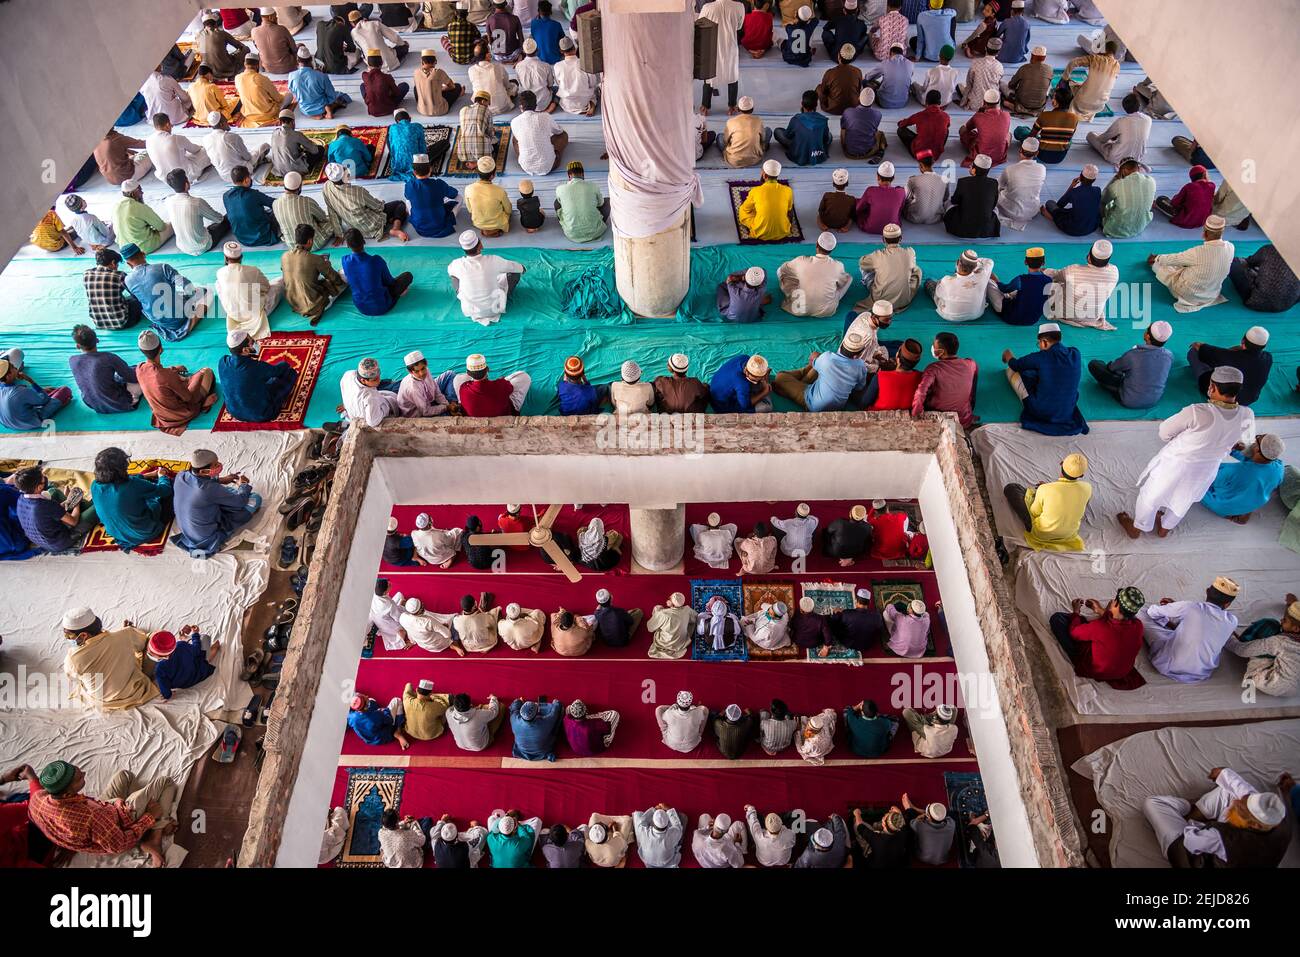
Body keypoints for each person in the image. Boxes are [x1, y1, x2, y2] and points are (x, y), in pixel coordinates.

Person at [1119, 367, 1257, 540]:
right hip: (1206, 470)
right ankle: (1164, 529)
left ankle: (1137, 528)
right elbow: (1245, 443)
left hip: (1175, 466)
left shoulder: (1198, 411)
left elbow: (1164, 433)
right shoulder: (1247, 414)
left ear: (1212, 388)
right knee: (1183, 499)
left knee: (1151, 495)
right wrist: (1223, 442)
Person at [28, 759, 174, 866]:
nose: (84, 773)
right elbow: (119, 844)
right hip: (117, 827)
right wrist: (149, 816)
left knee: (125, 776)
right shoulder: (91, 818)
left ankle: (149, 815)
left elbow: (89, 805)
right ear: (66, 794)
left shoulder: (37, 799)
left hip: (105, 810)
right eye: (80, 778)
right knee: (165, 782)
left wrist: (115, 801)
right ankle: (153, 838)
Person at [1143, 767, 1290, 868]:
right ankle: (1194, 811)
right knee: (1228, 792)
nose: (1238, 803)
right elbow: (1248, 794)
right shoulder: (1279, 822)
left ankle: (1187, 809)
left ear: (1255, 825)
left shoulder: (1220, 837)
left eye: (1242, 808)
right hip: (1248, 855)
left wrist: (1198, 825)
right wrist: (1224, 773)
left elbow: (1191, 841)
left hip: (1199, 855)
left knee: (1153, 803)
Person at [1141, 578, 1242, 683]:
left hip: (1168, 665)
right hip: (1200, 674)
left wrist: (1172, 608)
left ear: (1207, 591)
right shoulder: (1232, 621)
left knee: (1142, 612)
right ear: (1227, 604)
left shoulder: (1190, 607)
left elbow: (1152, 612)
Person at [59, 607, 157, 710]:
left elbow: (72, 677)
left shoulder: (72, 658)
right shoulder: (126, 635)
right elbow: (142, 642)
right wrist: (129, 632)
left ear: (84, 635)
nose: (67, 638)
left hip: (102, 700)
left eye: (68, 635)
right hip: (133, 693)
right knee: (146, 647)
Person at [1002, 322, 1088, 437]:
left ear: (1045, 342)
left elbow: (1015, 365)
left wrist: (1008, 355)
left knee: (1011, 371)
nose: (1040, 347)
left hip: (1041, 411)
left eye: (1039, 344)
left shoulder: (1041, 357)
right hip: (1066, 411)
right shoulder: (1075, 353)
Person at [172, 449, 262, 557]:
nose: (219, 465)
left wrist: (223, 480)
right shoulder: (208, 489)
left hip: (191, 531)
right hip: (209, 537)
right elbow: (240, 502)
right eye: (215, 465)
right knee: (255, 498)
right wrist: (243, 485)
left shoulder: (181, 475)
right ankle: (245, 516)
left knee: (225, 493)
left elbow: (201, 484)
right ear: (203, 471)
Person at [134, 329, 217, 436]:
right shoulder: (167, 375)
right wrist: (197, 376)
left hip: (161, 415)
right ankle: (202, 405)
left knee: (180, 381)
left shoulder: (139, 368)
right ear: (161, 349)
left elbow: (156, 376)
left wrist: (174, 370)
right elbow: (188, 397)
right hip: (181, 414)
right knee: (206, 372)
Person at [1003, 452, 1092, 551]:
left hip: (1042, 534)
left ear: (1061, 463)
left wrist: (1041, 492)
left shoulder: (1045, 489)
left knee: (1012, 488)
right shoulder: (1087, 488)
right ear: (1082, 475)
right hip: (1068, 534)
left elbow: (1034, 512)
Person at [1150, 215, 1234, 313]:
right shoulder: (1230, 247)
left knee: (1159, 265)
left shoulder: (1198, 252)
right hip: (1211, 294)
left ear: (1205, 233)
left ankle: (1153, 264)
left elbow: (1173, 259)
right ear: (1222, 232)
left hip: (1188, 295)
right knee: (1186, 265)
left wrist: (1157, 258)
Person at [1088, 321, 1174, 410]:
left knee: (1094, 365)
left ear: (1148, 336)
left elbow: (1112, 368)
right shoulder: (1169, 355)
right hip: (1153, 400)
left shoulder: (1133, 355)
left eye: (1147, 329)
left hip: (1129, 400)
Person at [1202, 433, 1286, 524]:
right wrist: (1232, 450)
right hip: (1252, 503)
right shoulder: (1279, 468)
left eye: (1256, 440)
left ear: (1257, 449)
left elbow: (1210, 478)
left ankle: (1228, 513)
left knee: (1197, 484)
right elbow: (1255, 464)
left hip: (1225, 506)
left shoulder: (1235, 471)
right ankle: (1245, 509)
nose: (1254, 441)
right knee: (1252, 485)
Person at [1227, 595, 1300, 698]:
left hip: (1273, 683)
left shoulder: (1280, 642)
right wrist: (1294, 606)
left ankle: (1245, 641)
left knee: (1270, 625)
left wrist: (1228, 636)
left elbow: (1241, 650)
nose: (1281, 620)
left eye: (1285, 620)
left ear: (1296, 629)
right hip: (1296, 689)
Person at [447, 230, 526, 324]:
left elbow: (450, 271)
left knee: (454, 276)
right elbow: (517, 268)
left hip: (470, 310)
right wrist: (522, 268)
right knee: (514, 273)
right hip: (495, 308)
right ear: (480, 246)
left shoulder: (457, 264)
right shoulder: (493, 260)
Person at [219, 330, 297, 423]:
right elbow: (278, 370)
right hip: (261, 414)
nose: (255, 343)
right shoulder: (256, 366)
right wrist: (284, 363)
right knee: (290, 373)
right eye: (252, 342)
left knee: (253, 381)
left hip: (234, 412)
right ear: (245, 350)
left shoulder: (222, 361)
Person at [13, 467, 96, 553]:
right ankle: (87, 505)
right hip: (61, 542)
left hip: (42, 539)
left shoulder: (21, 499)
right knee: (96, 508)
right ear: (38, 488)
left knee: (53, 491)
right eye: (43, 479)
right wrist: (76, 501)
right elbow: (73, 521)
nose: (45, 479)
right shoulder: (45, 505)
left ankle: (79, 505)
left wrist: (68, 501)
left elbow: (48, 512)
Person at [1042, 238, 1119, 330]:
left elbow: (1055, 275)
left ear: (1089, 257)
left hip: (1067, 314)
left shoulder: (1074, 270)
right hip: (1093, 317)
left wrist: (1043, 270)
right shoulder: (1114, 271)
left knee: (1055, 284)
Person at [323, 162, 410, 242]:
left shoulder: (326, 187)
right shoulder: (358, 192)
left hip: (357, 229)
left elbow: (332, 212)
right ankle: (395, 229)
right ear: (343, 176)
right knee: (400, 205)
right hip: (373, 225)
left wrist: (339, 234)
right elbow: (378, 207)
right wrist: (380, 202)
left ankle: (390, 219)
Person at [1186, 327, 1272, 407]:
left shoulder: (1228, 357)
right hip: (1248, 399)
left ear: (1242, 341)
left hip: (1220, 396)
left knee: (1193, 352)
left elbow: (1199, 346)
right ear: (1264, 346)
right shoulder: (1268, 358)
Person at [282, 224, 349, 326]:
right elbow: (335, 279)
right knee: (344, 274)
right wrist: (326, 265)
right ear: (309, 241)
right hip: (314, 306)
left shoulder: (284, 256)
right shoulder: (315, 259)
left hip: (294, 304)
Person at [215, 241, 282, 342]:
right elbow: (267, 286)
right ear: (241, 257)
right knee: (279, 283)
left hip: (234, 315)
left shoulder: (219, 273)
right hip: (256, 315)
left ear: (225, 258)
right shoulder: (253, 270)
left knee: (218, 284)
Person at [68, 325, 140, 415]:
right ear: (97, 340)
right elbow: (132, 377)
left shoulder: (72, 360)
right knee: (141, 374)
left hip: (93, 405)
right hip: (120, 403)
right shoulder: (109, 358)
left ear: (77, 346)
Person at [340, 228, 414, 316]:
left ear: (347, 245)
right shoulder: (376, 260)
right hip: (382, 306)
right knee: (407, 276)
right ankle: (396, 295)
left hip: (361, 307)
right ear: (363, 241)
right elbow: (390, 282)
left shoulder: (344, 260)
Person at [778, 232, 852, 317]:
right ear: (833, 248)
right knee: (848, 278)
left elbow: (783, 269)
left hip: (798, 309)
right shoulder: (838, 265)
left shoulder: (801, 260)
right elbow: (842, 283)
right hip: (826, 311)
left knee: (780, 272)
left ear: (816, 244)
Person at [147, 626, 220, 701]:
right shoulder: (181, 645)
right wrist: (195, 634)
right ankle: (214, 648)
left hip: (185, 683)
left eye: (150, 652)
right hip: (198, 669)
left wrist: (167, 695)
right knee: (204, 638)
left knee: (202, 657)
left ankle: (211, 650)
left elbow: (164, 688)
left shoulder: (159, 669)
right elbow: (197, 650)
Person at [0, 360, 70, 433]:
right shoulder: (20, 391)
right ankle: (58, 407)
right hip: (30, 422)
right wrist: (30, 380)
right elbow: (44, 400)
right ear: (8, 376)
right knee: (65, 390)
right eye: (13, 367)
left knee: (33, 396)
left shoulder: (17, 390)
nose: (16, 368)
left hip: (7, 423)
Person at [927, 248, 994, 323]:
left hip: (949, 315)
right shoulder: (982, 275)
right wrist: (972, 261)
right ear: (975, 267)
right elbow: (989, 261)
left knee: (929, 282)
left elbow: (939, 294)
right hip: (976, 315)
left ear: (958, 262)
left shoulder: (946, 280)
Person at [145, 114, 211, 189]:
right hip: (185, 176)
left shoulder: (148, 140)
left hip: (166, 179)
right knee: (206, 150)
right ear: (167, 125)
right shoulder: (176, 138)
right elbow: (195, 150)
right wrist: (200, 147)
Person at [1229, 244, 1300, 314]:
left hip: (1255, 301)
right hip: (1286, 306)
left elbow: (1249, 261)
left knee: (1234, 262)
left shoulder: (1270, 249)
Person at [994, 138, 1046, 232]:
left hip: (1010, 211)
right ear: (1037, 153)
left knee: (995, 191)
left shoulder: (1010, 169)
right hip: (1032, 211)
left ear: (1020, 150)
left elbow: (997, 187)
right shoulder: (1042, 169)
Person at [510, 91, 566, 177]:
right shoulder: (545, 116)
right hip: (549, 166)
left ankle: (523, 157)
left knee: (515, 139)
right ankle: (556, 155)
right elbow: (559, 132)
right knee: (563, 135)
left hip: (526, 166)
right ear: (536, 106)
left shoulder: (514, 122)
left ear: (520, 107)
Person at [738, 160, 795, 242]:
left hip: (760, 233)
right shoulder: (788, 190)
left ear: (764, 175)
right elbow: (789, 210)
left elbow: (746, 208)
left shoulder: (756, 191)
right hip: (783, 231)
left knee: (742, 211)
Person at [224, 166, 281, 247]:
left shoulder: (226, 196)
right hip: (263, 237)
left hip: (242, 239)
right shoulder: (254, 194)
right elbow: (275, 203)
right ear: (246, 180)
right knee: (278, 209)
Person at [944, 155, 1000, 238]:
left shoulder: (963, 182)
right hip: (986, 229)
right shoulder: (994, 183)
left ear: (973, 170)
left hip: (961, 229)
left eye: (971, 166)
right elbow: (993, 205)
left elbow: (954, 201)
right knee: (996, 209)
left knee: (947, 203)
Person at [1100, 158, 1156, 238]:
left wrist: (1116, 177)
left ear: (1123, 170)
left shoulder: (1118, 184)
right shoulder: (1152, 181)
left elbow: (1103, 199)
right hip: (1140, 227)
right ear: (1139, 169)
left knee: (1106, 203)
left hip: (1114, 230)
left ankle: (1104, 223)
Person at [554, 161, 608, 243]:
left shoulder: (560, 189)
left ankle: (568, 225)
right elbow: (601, 203)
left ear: (569, 176)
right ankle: (596, 224)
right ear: (583, 174)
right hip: (596, 232)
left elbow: (560, 203)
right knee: (607, 201)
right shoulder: (593, 186)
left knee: (556, 203)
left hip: (571, 235)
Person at [775, 90, 832, 167]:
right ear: (816, 105)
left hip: (799, 152)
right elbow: (825, 139)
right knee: (830, 136)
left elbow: (787, 135)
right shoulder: (823, 119)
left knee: (777, 131)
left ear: (802, 104)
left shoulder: (796, 119)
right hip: (817, 151)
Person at [113, 181, 172, 255]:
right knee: (171, 225)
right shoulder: (139, 207)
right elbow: (161, 227)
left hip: (124, 248)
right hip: (142, 248)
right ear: (135, 192)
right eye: (140, 190)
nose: (142, 193)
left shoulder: (116, 205)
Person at [1042, 164, 1102, 237]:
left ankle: (1052, 218)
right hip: (1091, 227)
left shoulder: (1074, 192)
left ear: (1080, 176)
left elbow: (1060, 205)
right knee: (1082, 210)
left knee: (1050, 203)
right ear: (1094, 180)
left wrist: (1071, 186)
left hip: (1073, 228)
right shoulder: (1098, 190)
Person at [235, 55, 291, 127]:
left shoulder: (237, 78)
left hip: (248, 115)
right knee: (289, 95)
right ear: (257, 65)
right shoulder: (261, 78)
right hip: (267, 114)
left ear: (245, 64)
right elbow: (278, 98)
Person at [960, 89, 1010, 169]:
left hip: (981, 156)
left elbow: (966, 129)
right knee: (1008, 134)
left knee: (963, 131)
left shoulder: (978, 116)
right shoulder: (1006, 115)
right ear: (998, 102)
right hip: (999, 155)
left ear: (983, 102)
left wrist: (978, 113)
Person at [1155, 165, 1215, 230]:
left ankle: (1156, 205)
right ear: (1204, 175)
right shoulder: (1212, 186)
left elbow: (1175, 203)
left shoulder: (1189, 186)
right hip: (1202, 221)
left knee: (1161, 199)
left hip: (1185, 220)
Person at [269, 112, 325, 181]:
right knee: (320, 149)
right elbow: (314, 150)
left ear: (280, 122)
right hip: (294, 170)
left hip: (278, 169)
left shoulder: (274, 132)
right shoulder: (296, 134)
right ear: (293, 122)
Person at [397, 351, 453, 418]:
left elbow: (436, 390)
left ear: (426, 364)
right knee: (447, 417)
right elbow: (425, 412)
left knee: (450, 374)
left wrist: (447, 404)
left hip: (429, 400)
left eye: (423, 368)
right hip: (419, 413)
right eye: (417, 371)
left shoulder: (426, 371)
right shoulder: (413, 388)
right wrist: (446, 407)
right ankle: (451, 407)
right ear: (410, 372)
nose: (421, 373)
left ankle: (453, 403)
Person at [855, 162, 905, 234]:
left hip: (870, 228)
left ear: (878, 177)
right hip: (893, 229)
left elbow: (858, 209)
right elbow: (901, 208)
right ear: (893, 178)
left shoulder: (870, 190)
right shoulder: (901, 192)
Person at [553, 37, 600, 115]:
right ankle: (591, 105)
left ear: (561, 51)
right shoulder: (585, 63)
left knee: (558, 91)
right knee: (596, 90)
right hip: (584, 101)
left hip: (567, 104)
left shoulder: (557, 66)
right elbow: (593, 83)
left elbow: (558, 84)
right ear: (574, 48)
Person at [466, 42, 515, 115]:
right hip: (501, 107)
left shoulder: (471, 70)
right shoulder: (498, 67)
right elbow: (507, 85)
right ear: (488, 55)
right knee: (514, 84)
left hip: (481, 108)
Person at [1003, 43, 1051, 114]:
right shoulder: (1049, 69)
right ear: (1044, 58)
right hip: (1039, 106)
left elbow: (1011, 85)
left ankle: (1017, 107)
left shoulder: (1024, 68)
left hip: (1022, 103)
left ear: (1032, 56)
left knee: (1002, 84)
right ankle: (1031, 111)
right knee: (1049, 86)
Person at [817, 44, 864, 116]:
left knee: (819, 88)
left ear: (839, 56)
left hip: (833, 108)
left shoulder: (830, 73)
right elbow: (858, 90)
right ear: (852, 58)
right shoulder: (858, 71)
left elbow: (823, 91)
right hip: (853, 107)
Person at [862, 42, 911, 109]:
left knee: (866, 81)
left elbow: (869, 77)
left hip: (884, 102)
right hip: (903, 102)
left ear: (891, 53)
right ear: (902, 53)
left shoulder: (885, 63)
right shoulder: (910, 64)